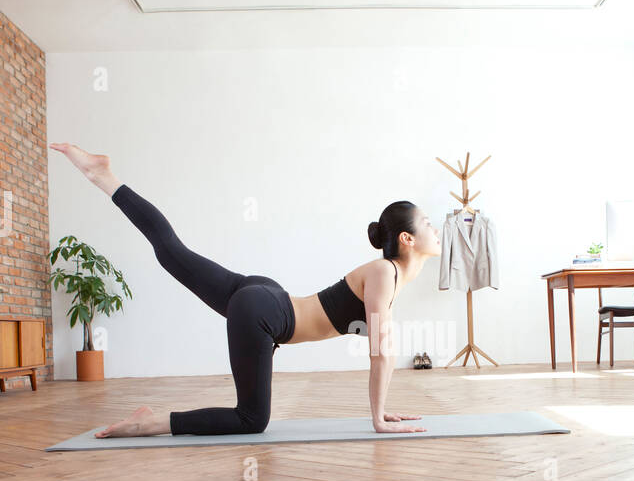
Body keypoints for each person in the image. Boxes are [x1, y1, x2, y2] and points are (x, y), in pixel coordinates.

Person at [48, 143, 439, 437]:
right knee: (252, 420)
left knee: (172, 253)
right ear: (407, 238)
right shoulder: (385, 273)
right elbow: (381, 354)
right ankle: (149, 424)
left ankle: (104, 177)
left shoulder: (388, 275)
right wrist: (377, 418)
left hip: (266, 298)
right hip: (265, 312)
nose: (434, 228)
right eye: (427, 222)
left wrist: (382, 410)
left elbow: (372, 345)